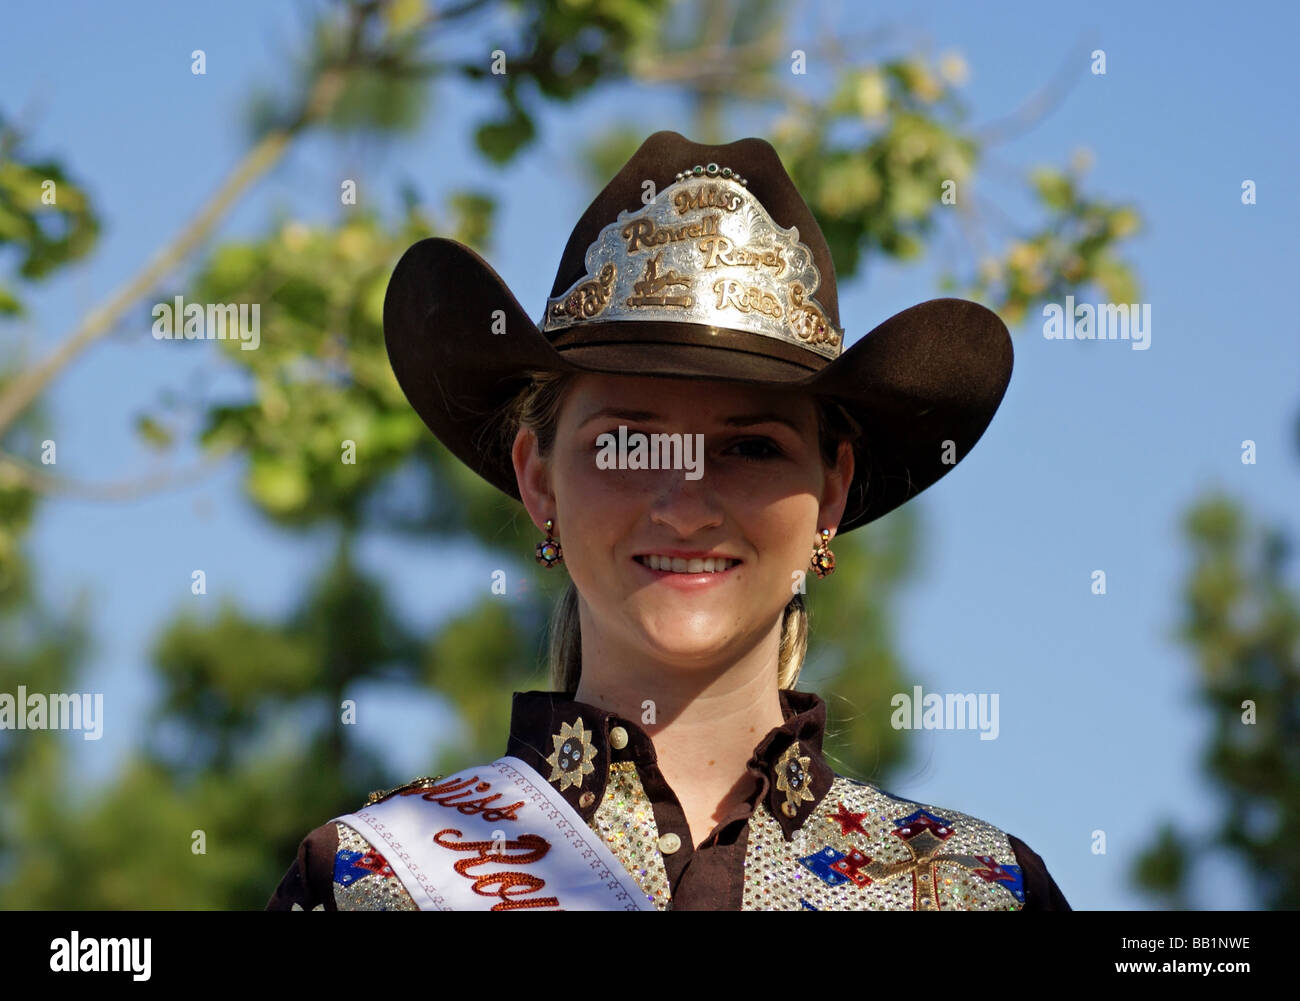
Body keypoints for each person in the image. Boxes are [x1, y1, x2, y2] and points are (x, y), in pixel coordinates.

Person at [266, 130, 1070, 911]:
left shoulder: (983, 891)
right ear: (538, 481)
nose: (685, 503)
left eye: (751, 447)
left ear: (831, 493)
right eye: (626, 443)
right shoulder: (375, 880)